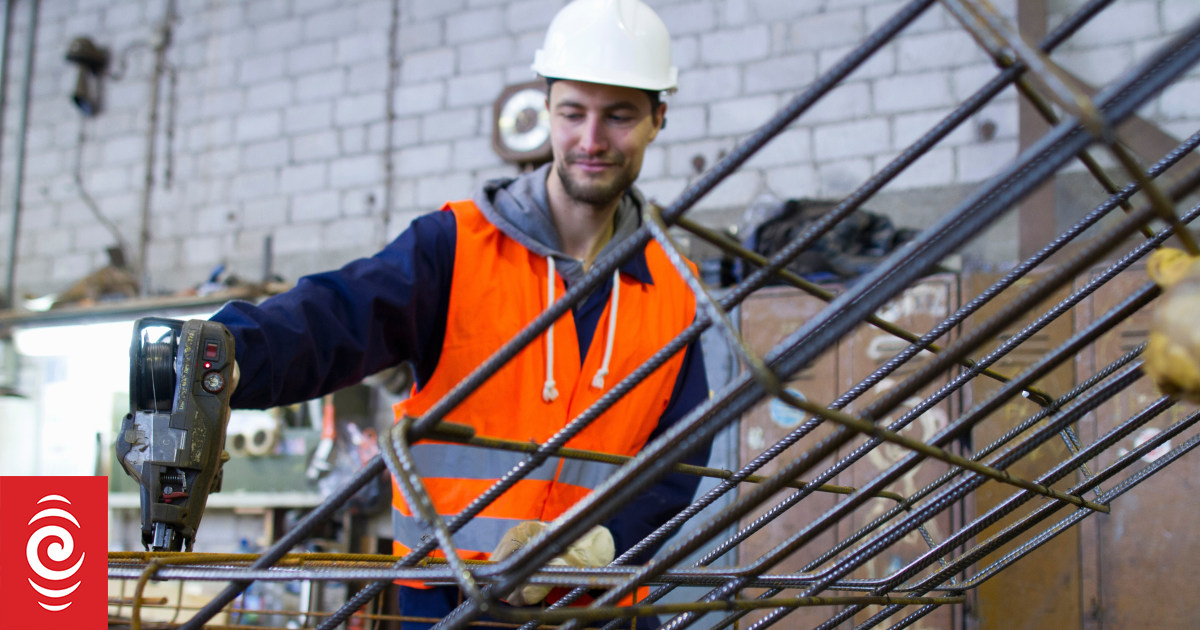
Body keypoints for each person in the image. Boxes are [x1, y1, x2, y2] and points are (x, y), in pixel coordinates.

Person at [212, 0, 710, 626]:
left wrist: (601, 544)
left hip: (597, 607)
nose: (591, 139)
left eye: (619, 116)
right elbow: (339, 317)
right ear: (546, 112)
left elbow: (681, 457)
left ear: (657, 119)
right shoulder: (454, 248)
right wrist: (231, 355)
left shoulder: (676, 286)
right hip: (448, 600)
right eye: (572, 112)